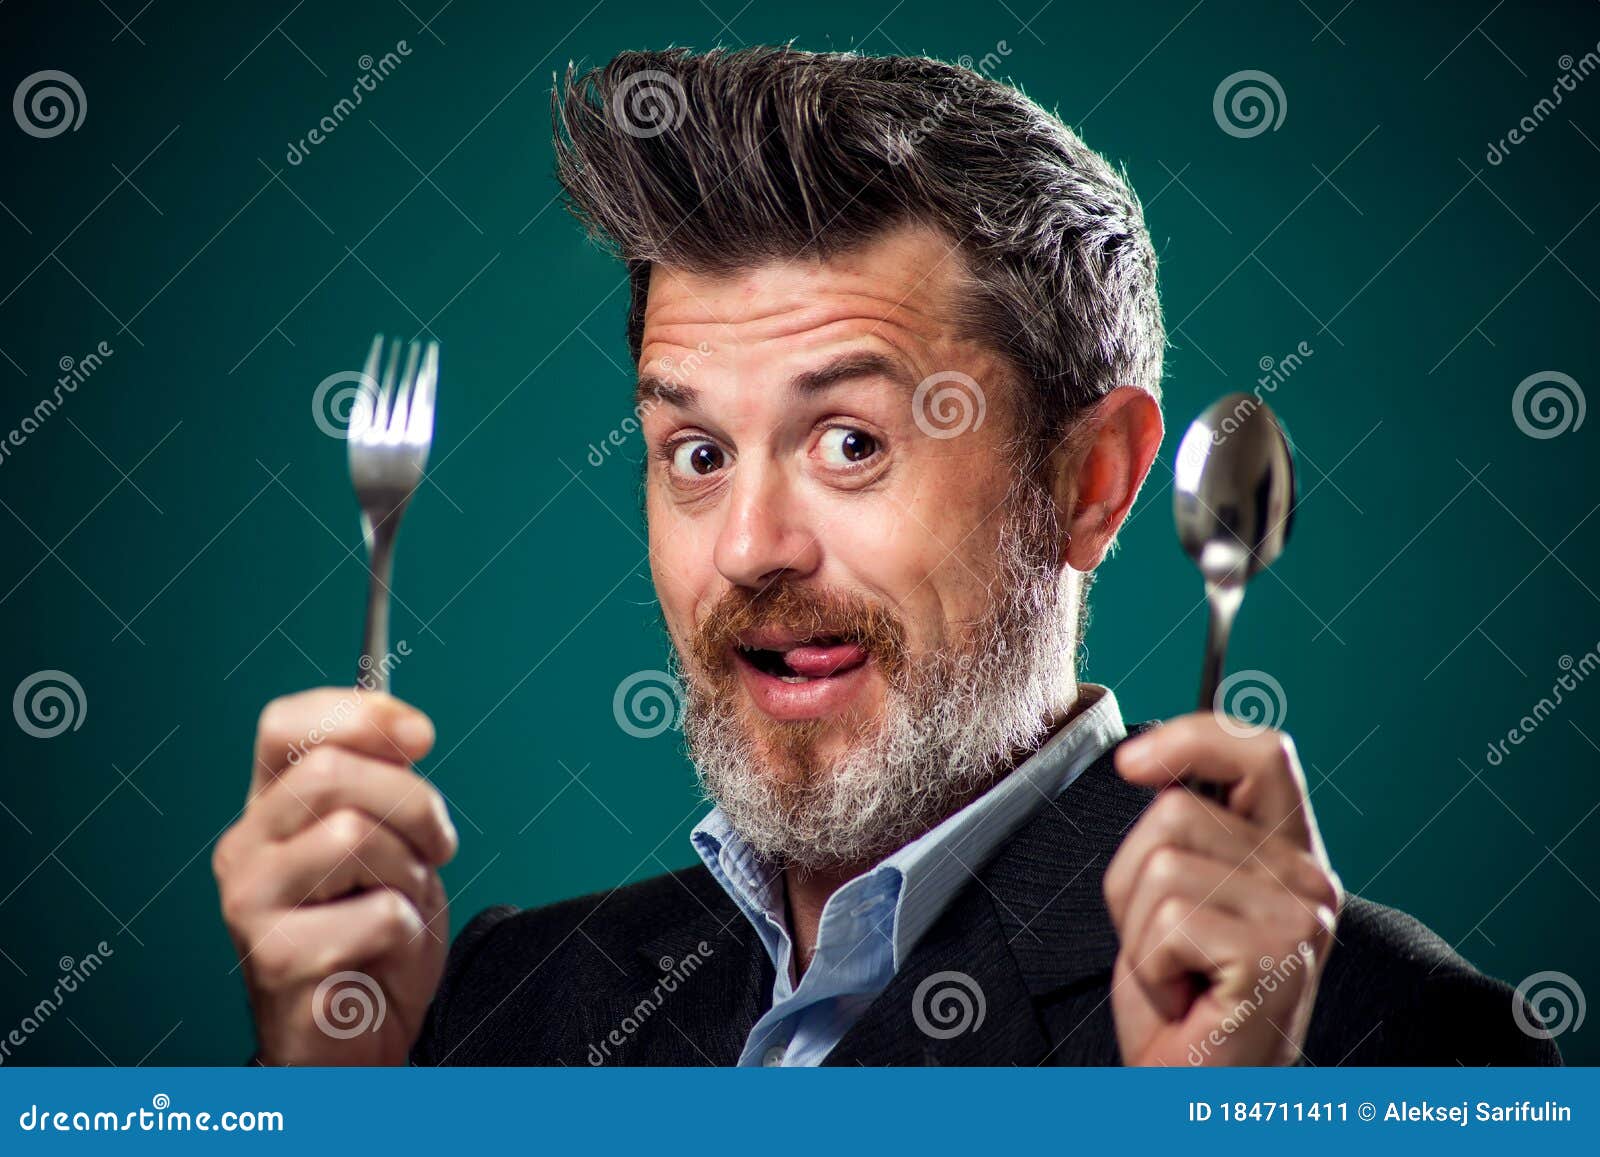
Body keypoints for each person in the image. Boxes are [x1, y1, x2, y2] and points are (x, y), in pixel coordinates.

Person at [213, 47, 1559, 1067]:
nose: (749, 548)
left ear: (1091, 482)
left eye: (851, 441)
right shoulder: (490, 1006)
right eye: (697, 453)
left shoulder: (1381, 1040)